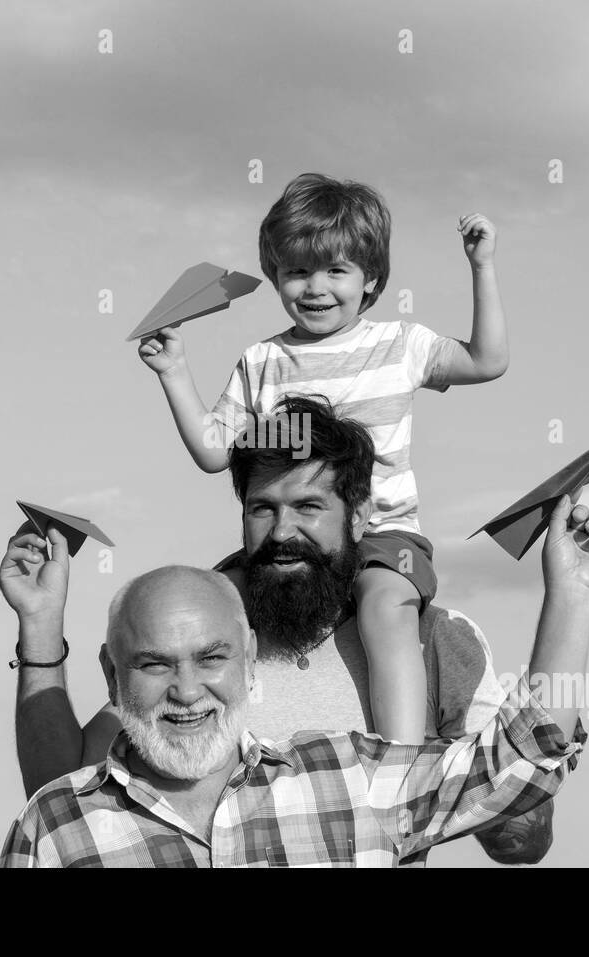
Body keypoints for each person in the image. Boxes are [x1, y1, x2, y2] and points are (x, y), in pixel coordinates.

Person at [0, 396, 589, 865]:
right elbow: (69, 807)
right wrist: (39, 624)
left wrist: (569, 600)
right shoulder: (200, 650)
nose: (283, 531)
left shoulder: (433, 645)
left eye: (309, 507)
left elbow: (519, 831)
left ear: (361, 514)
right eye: (263, 508)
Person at [136, 172, 508, 745]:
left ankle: (401, 759)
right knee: (208, 604)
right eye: (297, 271)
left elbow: (487, 362)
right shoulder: (263, 360)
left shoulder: (400, 345)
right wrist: (173, 372)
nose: (316, 287)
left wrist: (481, 267)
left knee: (385, 607)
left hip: (385, 533)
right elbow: (214, 452)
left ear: (371, 279)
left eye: (336, 270)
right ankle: (204, 748)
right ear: (275, 277)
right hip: (293, 534)